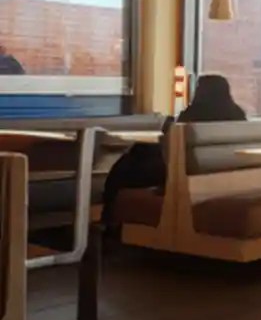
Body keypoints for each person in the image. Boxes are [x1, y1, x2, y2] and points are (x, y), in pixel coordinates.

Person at [101, 75, 246, 230]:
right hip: (217, 175)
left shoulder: (193, 113)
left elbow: (171, 142)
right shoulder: (238, 115)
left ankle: (110, 222)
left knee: (124, 168)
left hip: (180, 173)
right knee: (136, 158)